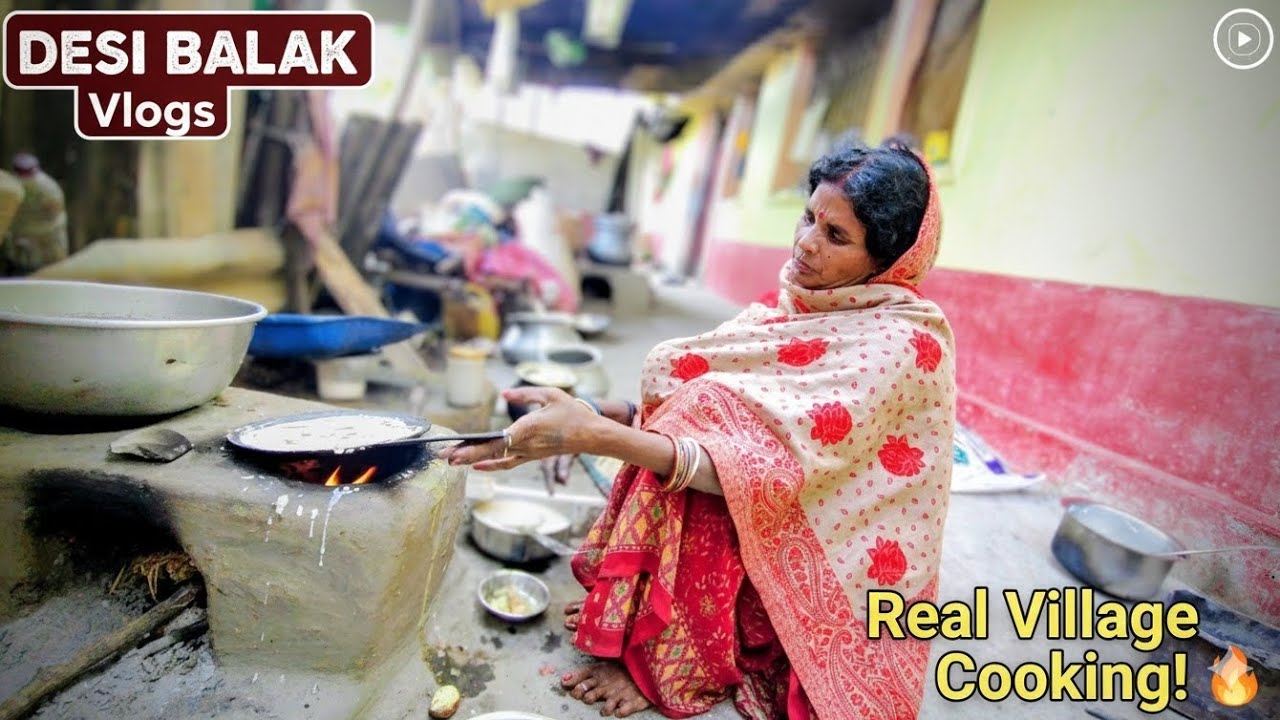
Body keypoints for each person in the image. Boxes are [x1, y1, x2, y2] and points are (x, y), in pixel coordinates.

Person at [442, 138, 956, 719]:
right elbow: (714, 410)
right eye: (809, 217)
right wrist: (607, 413)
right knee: (704, 407)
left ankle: (675, 660)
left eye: (836, 237)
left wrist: (588, 436)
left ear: (885, 260)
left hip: (827, 569)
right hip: (767, 522)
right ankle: (648, 611)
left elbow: (762, 474)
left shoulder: (903, 346)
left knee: (709, 416)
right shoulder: (800, 305)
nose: (807, 243)